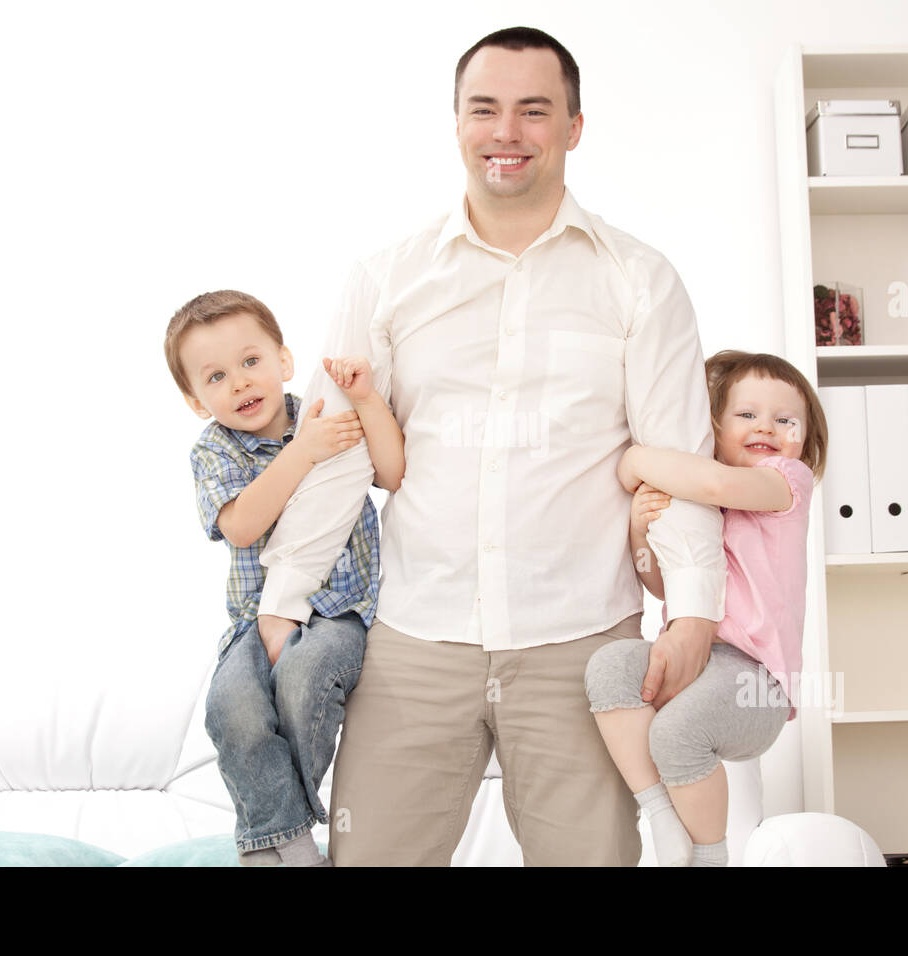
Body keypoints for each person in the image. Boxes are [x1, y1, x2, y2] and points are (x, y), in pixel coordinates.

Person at [254, 26, 727, 866]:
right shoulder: (385, 276)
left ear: (574, 127)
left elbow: (677, 454)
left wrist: (691, 613)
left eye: (533, 111)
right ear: (458, 123)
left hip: (583, 638)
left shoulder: (639, 279)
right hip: (414, 636)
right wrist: (284, 596)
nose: (506, 132)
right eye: (486, 109)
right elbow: (337, 452)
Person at [164, 289, 403, 866]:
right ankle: (292, 844)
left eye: (251, 362)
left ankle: (269, 837)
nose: (241, 383)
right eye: (217, 376)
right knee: (231, 708)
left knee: (305, 678)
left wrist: (366, 400)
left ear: (284, 363)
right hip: (252, 619)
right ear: (197, 401)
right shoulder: (213, 452)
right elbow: (243, 525)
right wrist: (301, 454)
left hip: (339, 611)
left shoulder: (324, 415)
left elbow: (393, 473)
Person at [586, 350, 829, 866]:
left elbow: (717, 482)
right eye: (746, 415)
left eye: (786, 421)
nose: (766, 427)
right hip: (698, 665)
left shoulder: (786, 481)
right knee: (609, 668)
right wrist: (637, 528)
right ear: (713, 427)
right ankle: (660, 815)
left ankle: (710, 857)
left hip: (756, 680)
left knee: (676, 734)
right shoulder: (698, 503)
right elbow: (657, 582)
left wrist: (632, 460)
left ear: (805, 442)